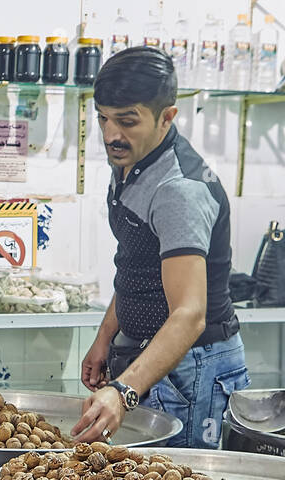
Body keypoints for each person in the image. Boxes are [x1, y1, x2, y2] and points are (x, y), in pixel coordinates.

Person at [72, 47, 248, 448]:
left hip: (192, 373)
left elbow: (189, 315)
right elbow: (138, 264)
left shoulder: (177, 190)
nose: (111, 135)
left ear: (167, 116)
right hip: (148, 362)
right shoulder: (131, 162)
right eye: (103, 118)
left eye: (127, 121)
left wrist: (122, 391)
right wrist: (105, 339)